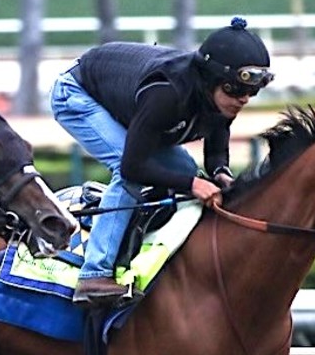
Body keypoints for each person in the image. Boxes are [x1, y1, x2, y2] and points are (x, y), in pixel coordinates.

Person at [49, 16, 274, 306]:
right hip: (77, 93)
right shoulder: (167, 94)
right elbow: (133, 166)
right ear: (209, 80)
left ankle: (139, 237)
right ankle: (94, 275)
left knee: (185, 169)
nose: (243, 99)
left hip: (125, 101)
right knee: (128, 175)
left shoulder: (221, 100)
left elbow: (216, 152)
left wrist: (221, 174)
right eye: (235, 89)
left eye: (252, 92)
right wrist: (193, 185)